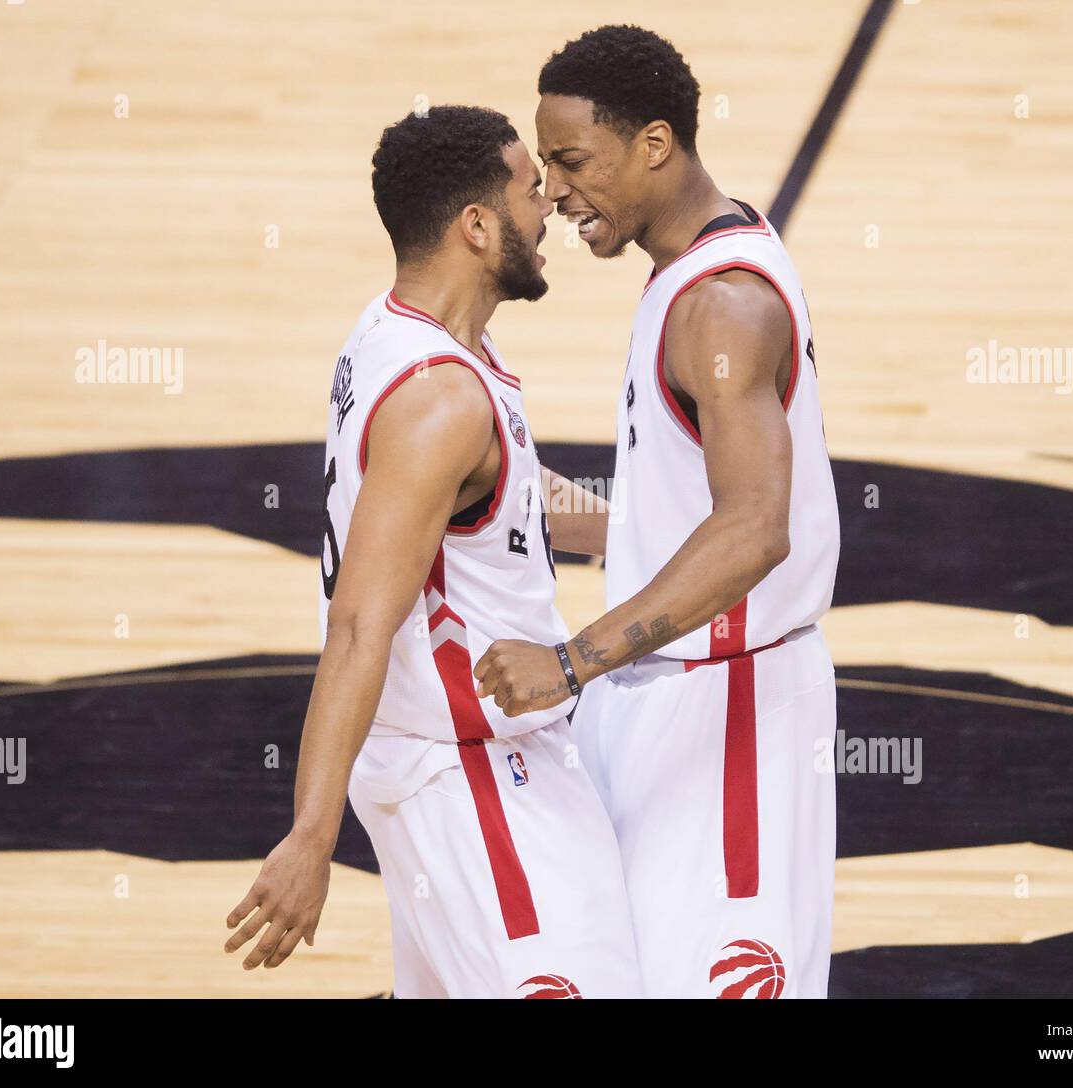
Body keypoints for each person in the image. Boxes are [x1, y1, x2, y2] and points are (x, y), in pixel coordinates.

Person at [225, 105, 641, 999]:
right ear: (478, 226)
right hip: (467, 764)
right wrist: (310, 835)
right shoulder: (440, 402)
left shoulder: (402, 333)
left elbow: (512, 496)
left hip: (454, 753)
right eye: (532, 188)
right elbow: (359, 625)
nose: (552, 206)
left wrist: (659, 524)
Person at [475, 26, 841, 998]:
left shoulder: (722, 304)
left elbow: (757, 525)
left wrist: (567, 661)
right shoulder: (682, 279)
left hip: (730, 712)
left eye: (570, 161)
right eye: (544, 164)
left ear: (653, 143)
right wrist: (493, 497)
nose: (551, 190)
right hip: (664, 694)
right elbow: (666, 514)